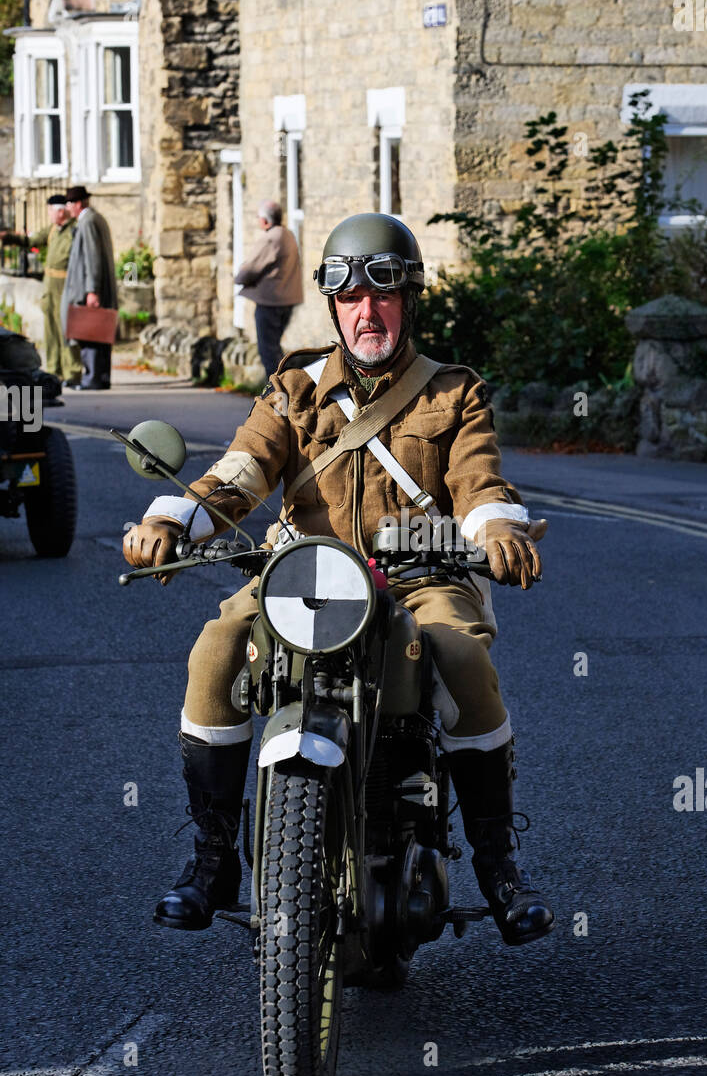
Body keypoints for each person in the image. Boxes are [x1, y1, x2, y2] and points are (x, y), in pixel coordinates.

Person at [123, 212, 555, 948]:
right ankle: (213, 857)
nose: (367, 311)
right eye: (351, 297)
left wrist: (499, 532)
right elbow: (242, 470)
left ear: (408, 299)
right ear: (331, 304)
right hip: (305, 575)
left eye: (382, 295)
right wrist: (174, 522)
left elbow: (479, 480)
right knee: (216, 648)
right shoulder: (295, 387)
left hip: (424, 573)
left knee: (460, 655)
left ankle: (499, 865)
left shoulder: (452, 393)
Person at [1, 196, 81, 387]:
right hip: (50, 284)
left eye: (50, 211)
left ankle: (73, 371)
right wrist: (7, 237)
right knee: (51, 329)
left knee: (67, 330)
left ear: (60, 211)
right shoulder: (53, 230)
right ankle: (54, 370)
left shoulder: (74, 230)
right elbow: (31, 241)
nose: (49, 214)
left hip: (66, 283)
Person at [234, 200, 303, 378]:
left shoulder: (272, 237)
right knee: (275, 349)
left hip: (271, 301)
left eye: (258, 217)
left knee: (268, 352)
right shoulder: (288, 234)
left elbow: (251, 268)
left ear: (265, 220)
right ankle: (282, 394)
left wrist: (239, 277)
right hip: (287, 299)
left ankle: (278, 396)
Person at [61, 186, 118, 391]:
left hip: (92, 288)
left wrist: (92, 290)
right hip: (96, 286)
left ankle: (92, 378)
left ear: (77, 204)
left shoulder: (87, 221)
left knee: (90, 334)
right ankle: (101, 378)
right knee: (100, 334)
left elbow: (92, 257)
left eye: (69, 204)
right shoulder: (95, 218)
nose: (68, 209)